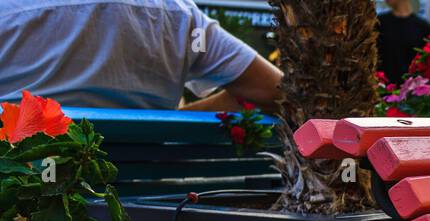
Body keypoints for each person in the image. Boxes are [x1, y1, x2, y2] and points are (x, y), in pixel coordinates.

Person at [0, 0, 282, 112]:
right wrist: (176, 123)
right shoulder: (177, 14)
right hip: (138, 216)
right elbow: (277, 91)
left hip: (17, 207)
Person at [377, 1, 430, 85]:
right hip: (384, 87)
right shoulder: (380, 23)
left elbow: (426, 61)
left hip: (412, 88)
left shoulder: (423, 27)